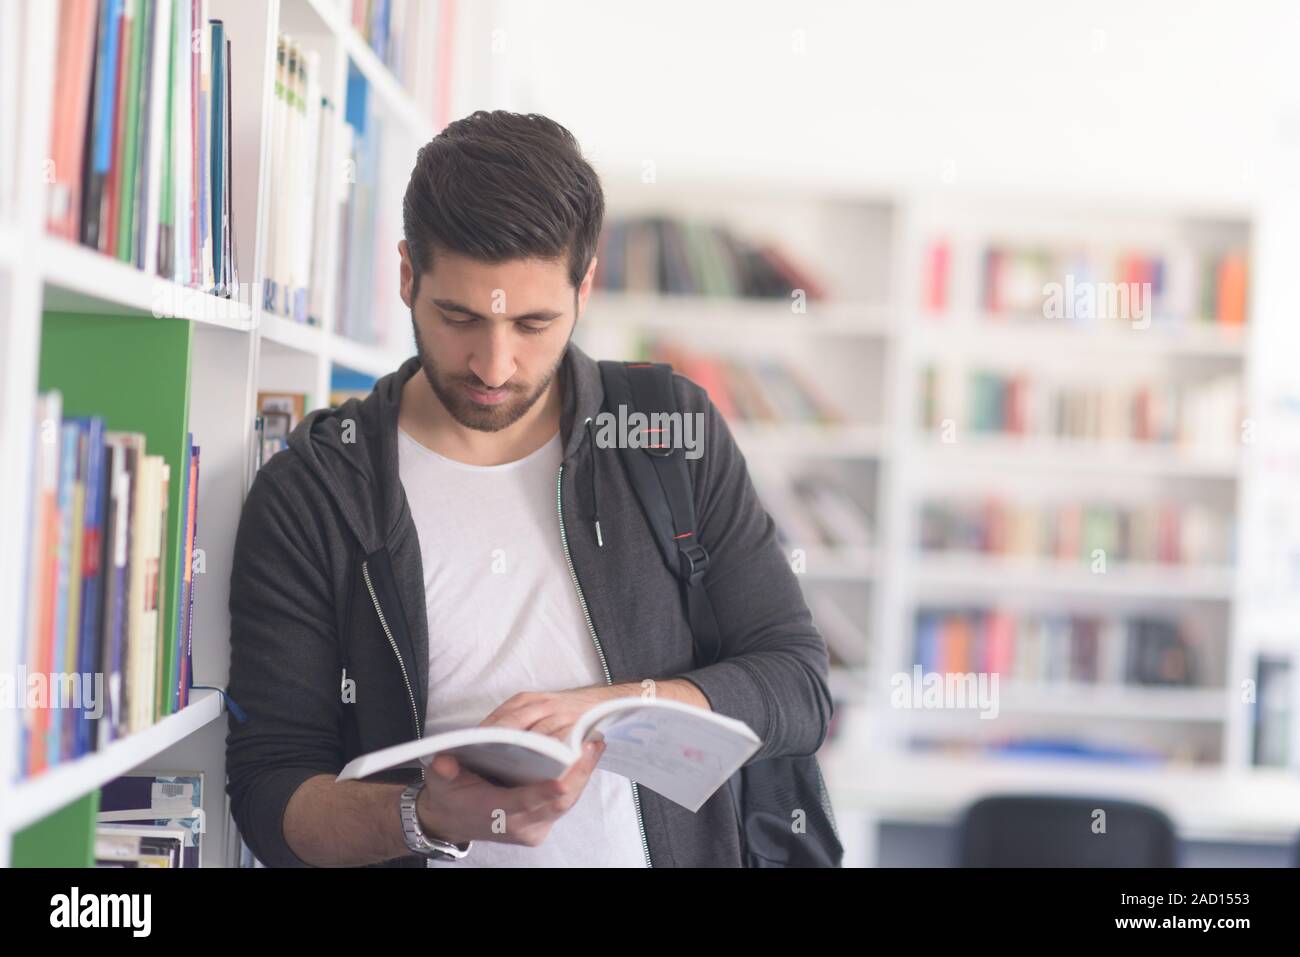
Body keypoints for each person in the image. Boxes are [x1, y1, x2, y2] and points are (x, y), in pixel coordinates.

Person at [225, 110, 833, 867]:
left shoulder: (667, 429)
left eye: (535, 323)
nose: (494, 365)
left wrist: (616, 706)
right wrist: (423, 815)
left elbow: (799, 685)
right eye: (459, 317)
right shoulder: (315, 489)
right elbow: (270, 791)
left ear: (586, 285)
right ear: (408, 273)